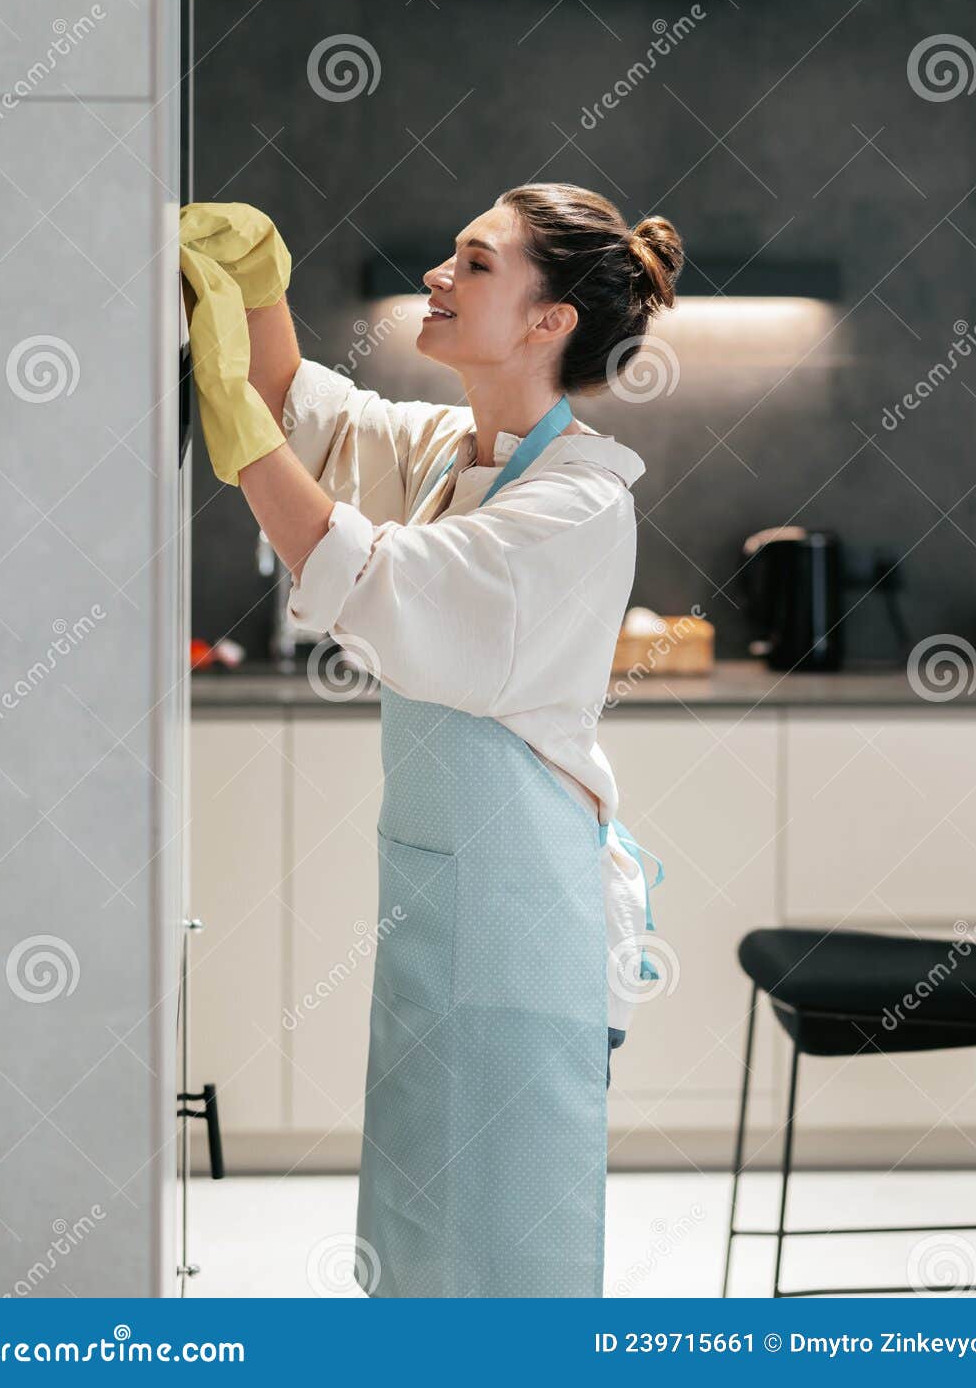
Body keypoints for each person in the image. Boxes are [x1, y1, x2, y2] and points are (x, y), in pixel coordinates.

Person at [180, 182, 683, 1298]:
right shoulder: (457, 454)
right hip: (441, 911)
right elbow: (304, 408)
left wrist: (236, 421)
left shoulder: (577, 500)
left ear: (552, 320)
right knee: (418, 1248)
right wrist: (261, 282)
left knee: (503, 1265)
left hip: (516, 928)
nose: (438, 278)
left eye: (476, 263)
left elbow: (378, 575)